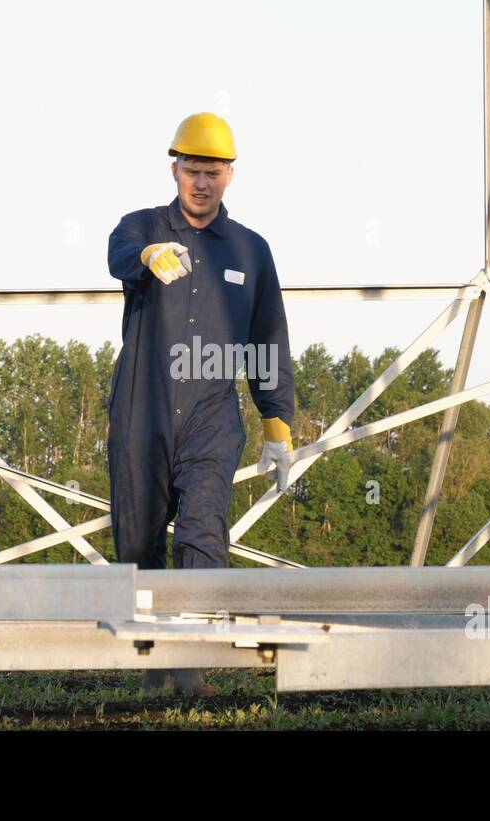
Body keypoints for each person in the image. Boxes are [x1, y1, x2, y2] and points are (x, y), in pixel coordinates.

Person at [106, 112, 296, 696]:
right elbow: (116, 252)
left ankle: (188, 672)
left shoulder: (251, 251)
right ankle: (149, 674)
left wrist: (277, 423)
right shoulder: (140, 226)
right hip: (143, 412)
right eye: (192, 170)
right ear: (175, 169)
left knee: (203, 536)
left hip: (212, 418)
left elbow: (269, 337)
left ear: (230, 175)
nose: (201, 183)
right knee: (137, 547)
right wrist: (143, 259)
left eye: (212, 172)